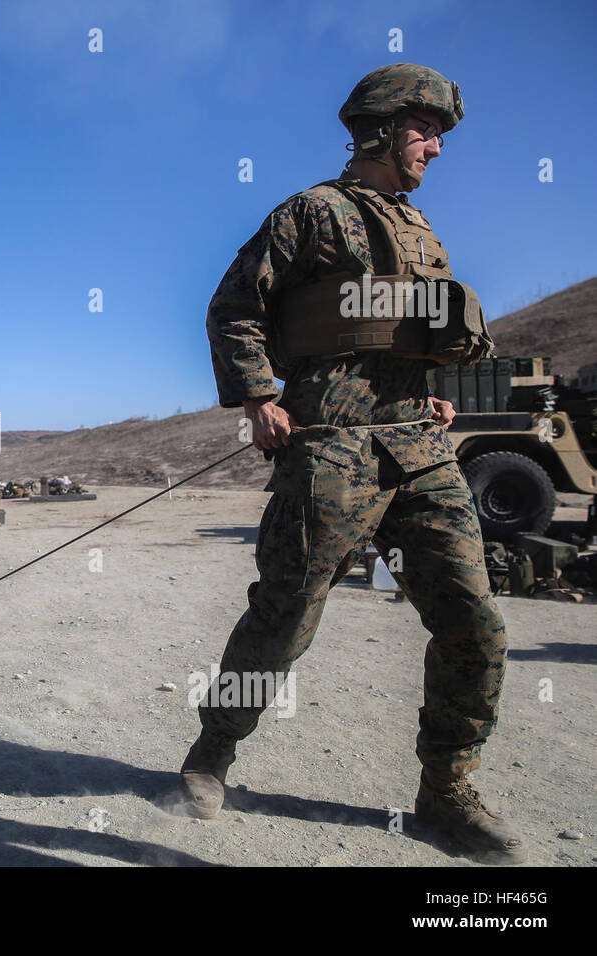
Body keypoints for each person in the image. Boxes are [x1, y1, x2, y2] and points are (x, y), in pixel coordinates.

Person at [178, 63, 522, 863]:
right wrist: (259, 396)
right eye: (425, 130)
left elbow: (420, 328)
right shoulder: (311, 213)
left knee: (476, 624)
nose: (436, 148)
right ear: (379, 128)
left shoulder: (422, 229)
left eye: (439, 134)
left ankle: (446, 791)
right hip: (331, 444)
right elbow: (235, 308)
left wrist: (436, 389)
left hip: (421, 449)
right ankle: (214, 752)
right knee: (285, 618)